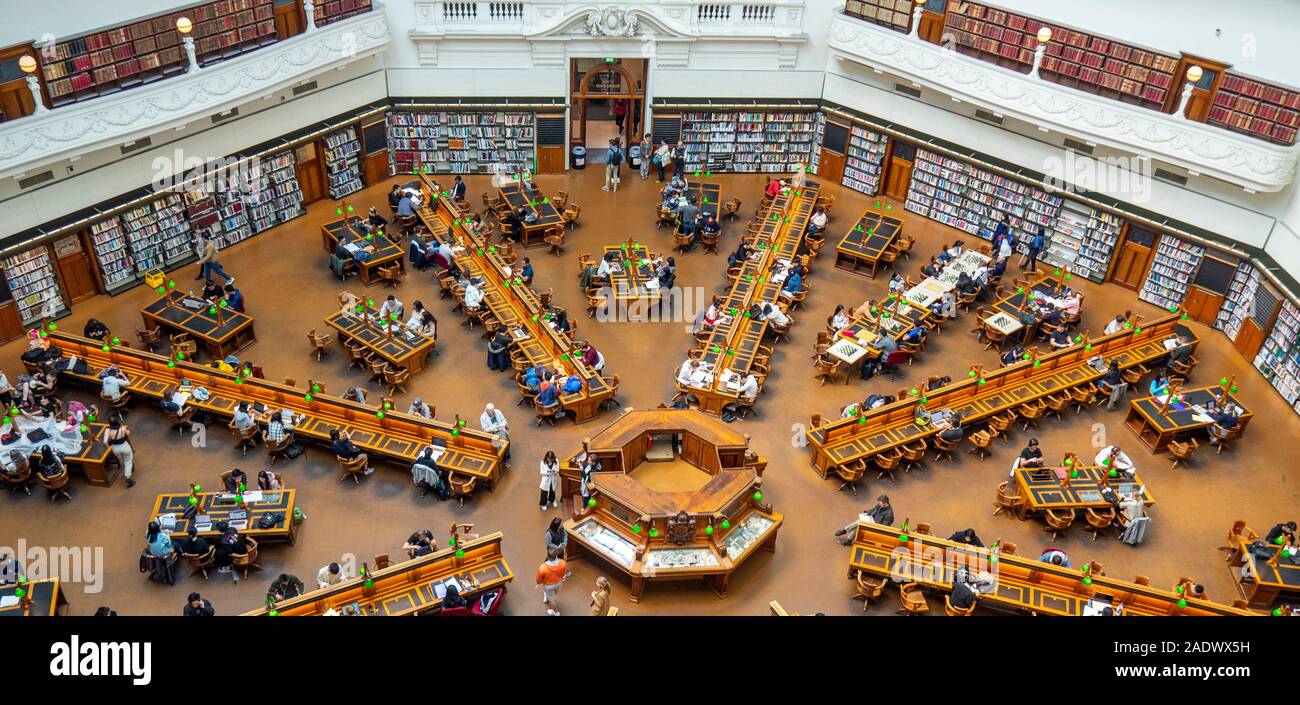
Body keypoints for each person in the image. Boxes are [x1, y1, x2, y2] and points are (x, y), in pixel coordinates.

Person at [535, 546, 571, 616]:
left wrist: (539, 582)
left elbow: (538, 579)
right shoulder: (562, 563)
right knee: (553, 593)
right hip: (559, 583)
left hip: (549, 586)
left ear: (548, 556)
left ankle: (556, 612)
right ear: (556, 555)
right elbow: (564, 573)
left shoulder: (543, 567)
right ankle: (547, 595)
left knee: (552, 600)